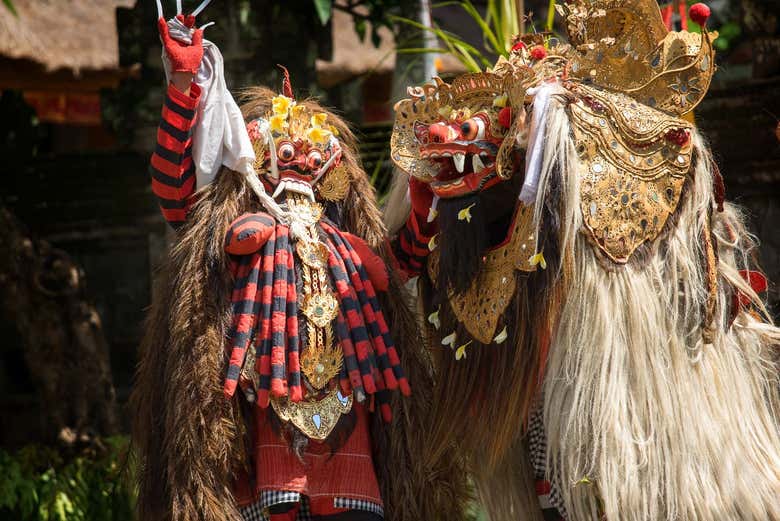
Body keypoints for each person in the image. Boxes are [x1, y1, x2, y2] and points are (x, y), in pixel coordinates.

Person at [386, 1, 780, 519]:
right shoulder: (491, 252)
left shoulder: (610, 194)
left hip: (632, 402)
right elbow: (406, 258)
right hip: (551, 399)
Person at [131, 4, 469, 521]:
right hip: (261, 394)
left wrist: (424, 207)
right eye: (284, 153)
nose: (301, 163)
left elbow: (398, 265)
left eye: (313, 158)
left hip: (350, 399)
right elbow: (175, 196)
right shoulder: (236, 230)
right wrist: (182, 86)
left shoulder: (351, 243)